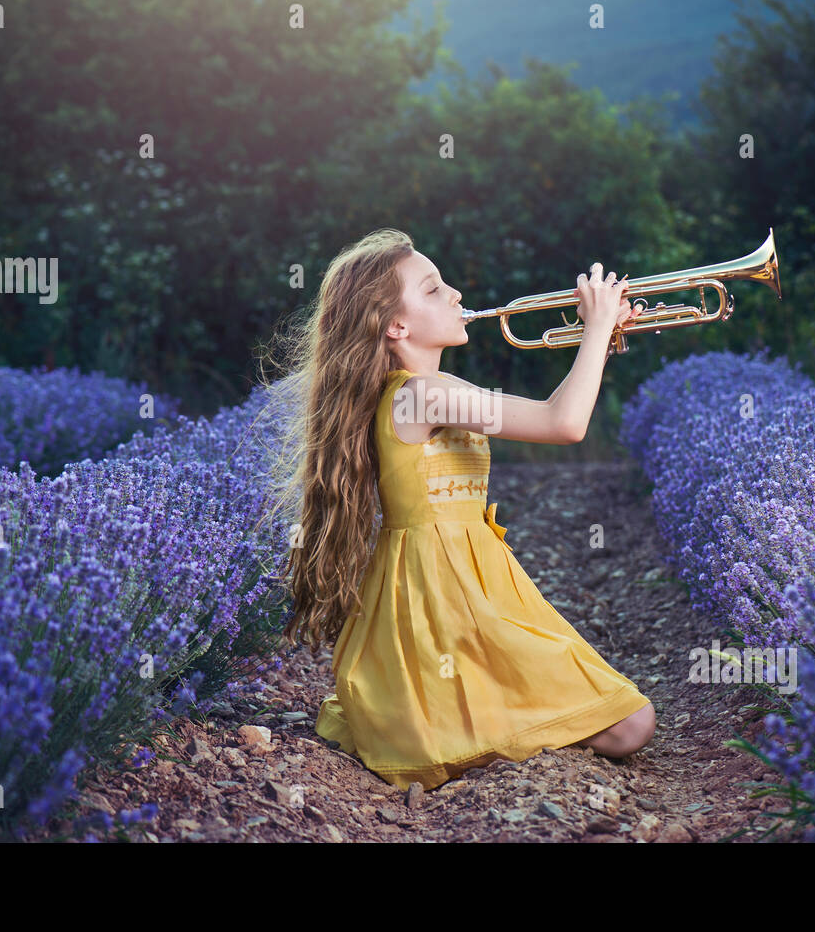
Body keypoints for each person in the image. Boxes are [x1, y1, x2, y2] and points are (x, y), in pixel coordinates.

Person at [254, 227, 655, 792]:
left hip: (472, 581)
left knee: (627, 720)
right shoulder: (421, 395)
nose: (457, 295)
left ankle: (490, 725)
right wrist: (594, 330)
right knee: (632, 723)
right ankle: (481, 733)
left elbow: (558, 411)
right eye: (434, 290)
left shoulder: (431, 387)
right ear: (396, 326)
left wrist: (599, 337)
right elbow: (563, 424)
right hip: (443, 597)